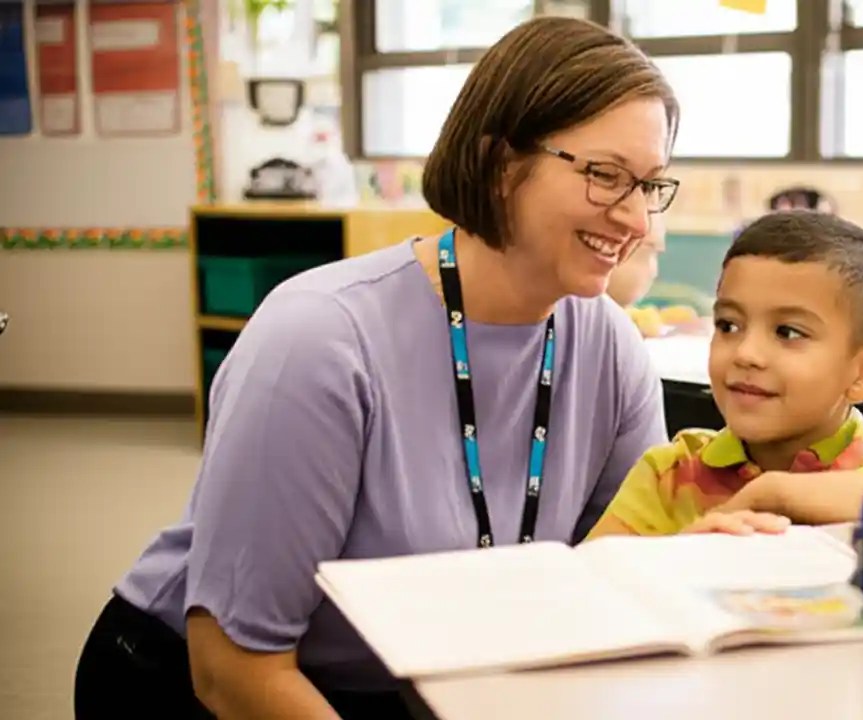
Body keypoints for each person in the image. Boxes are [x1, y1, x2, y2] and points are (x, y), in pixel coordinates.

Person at [74, 17, 681, 719]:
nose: (636, 219)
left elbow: (617, 574)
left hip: (415, 680)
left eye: (651, 185)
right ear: (499, 163)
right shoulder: (321, 340)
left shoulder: (610, 348)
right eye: (607, 176)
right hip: (199, 685)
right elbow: (232, 668)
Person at [588, 211, 863, 538]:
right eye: (728, 325)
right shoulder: (668, 477)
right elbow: (585, 582)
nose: (745, 353)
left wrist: (774, 495)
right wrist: (684, 555)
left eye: (787, 332)